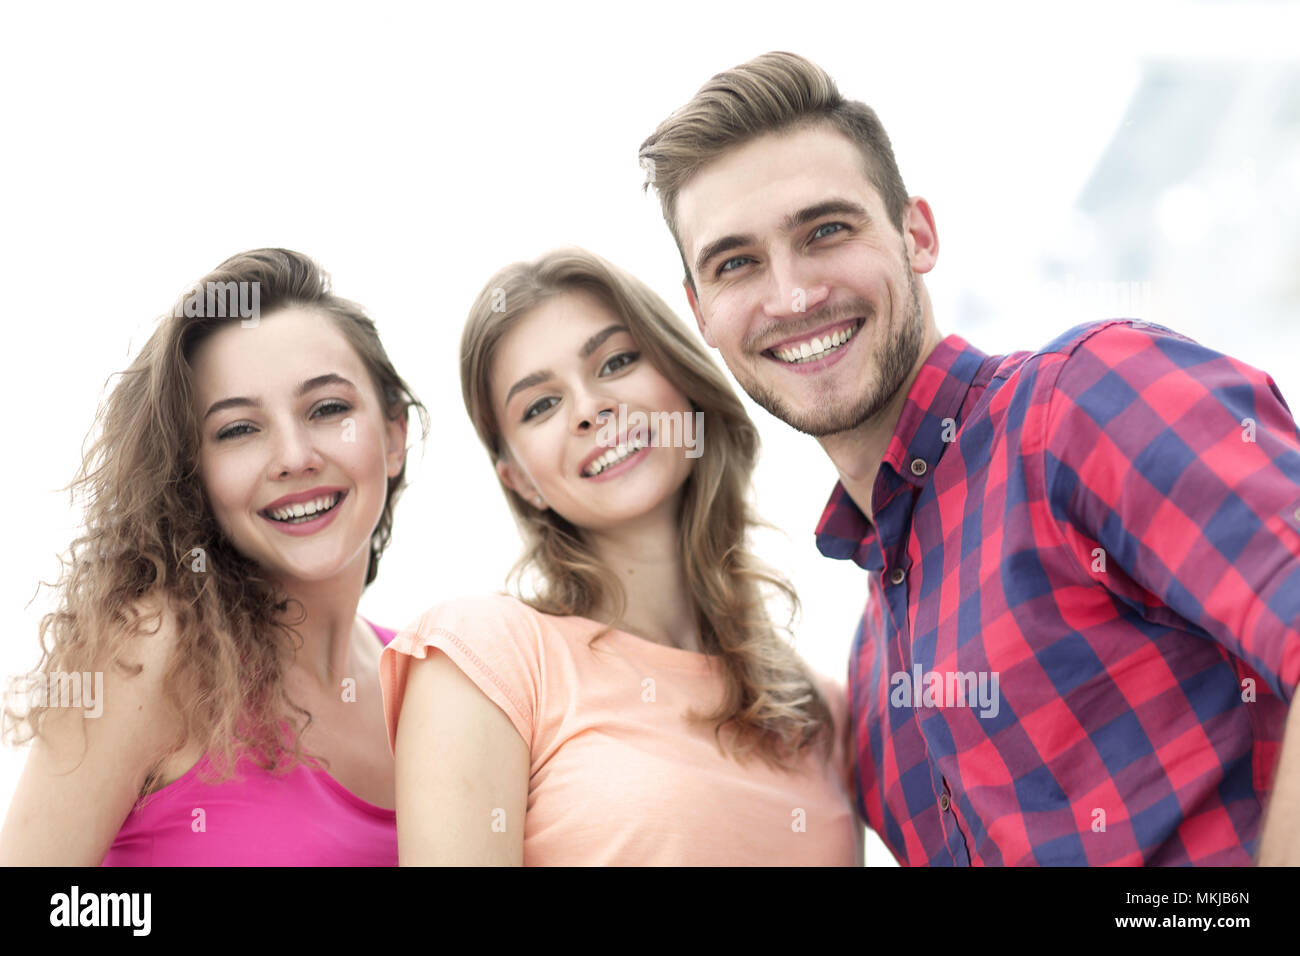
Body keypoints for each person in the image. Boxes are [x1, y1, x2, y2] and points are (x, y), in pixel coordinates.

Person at [637, 51, 1300, 866]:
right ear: (701, 311)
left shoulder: (1086, 401)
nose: (793, 295)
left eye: (826, 231)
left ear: (918, 234)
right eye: (737, 263)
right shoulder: (874, 680)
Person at [381, 247, 861, 865]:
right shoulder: (481, 657)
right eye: (540, 406)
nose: (590, 409)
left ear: (682, 379)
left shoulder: (819, 709)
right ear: (519, 479)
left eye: (617, 361)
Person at [0, 248, 426, 865]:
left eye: (328, 409)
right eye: (238, 430)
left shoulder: (427, 687)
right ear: (192, 475)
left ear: (392, 437)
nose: (293, 455)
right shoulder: (151, 651)